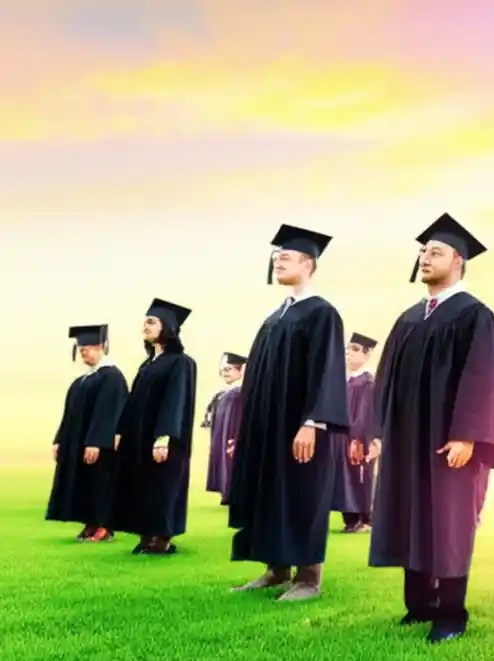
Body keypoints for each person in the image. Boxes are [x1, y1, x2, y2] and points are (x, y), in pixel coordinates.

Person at [366, 213, 494, 643]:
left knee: (447, 522)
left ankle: (451, 613)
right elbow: (386, 374)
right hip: (408, 440)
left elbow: (482, 376)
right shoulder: (409, 316)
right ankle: (418, 606)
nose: (426, 258)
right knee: (410, 514)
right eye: (424, 252)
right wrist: (376, 429)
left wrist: (466, 433)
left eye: (436, 252)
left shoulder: (474, 314)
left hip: (449, 440)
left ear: (459, 261)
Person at [229, 225, 349, 601]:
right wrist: (245, 431)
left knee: (302, 492)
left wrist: (312, 422)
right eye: (276, 257)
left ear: (308, 263)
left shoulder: (322, 313)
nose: (278, 261)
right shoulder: (275, 317)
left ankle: (309, 577)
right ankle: (276, 569)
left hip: (301, 424)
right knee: (271, 492)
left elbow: (327, 371)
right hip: (268, 427)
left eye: (286, 256)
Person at [109, 299, 198, 556]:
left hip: (164, 439)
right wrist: (121, 431)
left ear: (167, 326)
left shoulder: (180, 362)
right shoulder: (147, 364)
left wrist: (164, 436)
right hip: (139, 438)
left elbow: (175, 401)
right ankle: (147, 535)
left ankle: (162, 538)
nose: (145, 326)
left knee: (163, 485)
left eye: (151, 322)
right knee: (143, 485)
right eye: (145, 321)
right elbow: (132, 401)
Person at [46, 325, 128, 542]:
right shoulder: (82, 381)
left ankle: (105, 525)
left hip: (99, 444)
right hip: (79, 443)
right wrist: (59, 441)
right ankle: (90, 523)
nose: (84, 352)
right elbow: (69, 415)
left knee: (99, 483)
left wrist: (96, 442)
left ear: (102, 347)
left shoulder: (112, 377)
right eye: (81, 349)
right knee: (83, 483)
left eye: (89, 348)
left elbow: (108, 413)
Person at [332, 332, 378, 533]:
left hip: (359, 439)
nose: (348, 354)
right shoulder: (345, 382)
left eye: (354, 350)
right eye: (347, 350)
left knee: (361, 477)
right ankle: (350, 518)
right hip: (342, 438)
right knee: (345, 478)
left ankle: (364, 518)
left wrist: (358, 439)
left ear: (366, 354)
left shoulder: (368, 383)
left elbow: (364, 415)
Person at [202, 352, 245, 505]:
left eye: (229, 369)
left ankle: (233, 493)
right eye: (223, 370)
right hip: (221, 435)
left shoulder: (241, 393)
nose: (224, 373)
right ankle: (225, 492)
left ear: (240, 371)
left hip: (232, 434)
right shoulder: (223, 394)